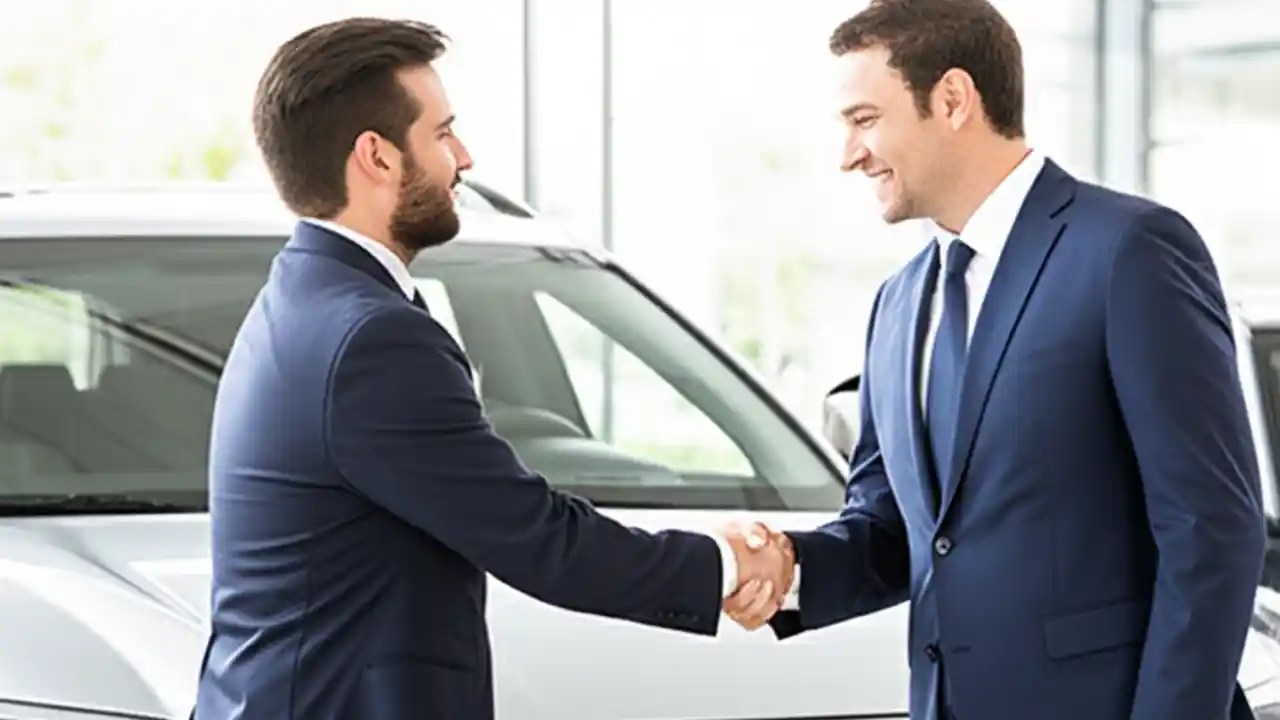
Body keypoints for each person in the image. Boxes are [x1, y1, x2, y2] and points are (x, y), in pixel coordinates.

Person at [190, 17, 790, 719]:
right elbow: (535, 537)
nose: (464, 158)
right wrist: (723, 563)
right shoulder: (372, 338)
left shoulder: (302, 301)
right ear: (377, 157)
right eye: (443, 133)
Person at [721, 1, 1266, 719]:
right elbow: (897, 531)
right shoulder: (897, 304)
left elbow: (1210, 529)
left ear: (952, 99)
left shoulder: (1128, 251)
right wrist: (787, 571)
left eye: (864, 119)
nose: (848, 155)